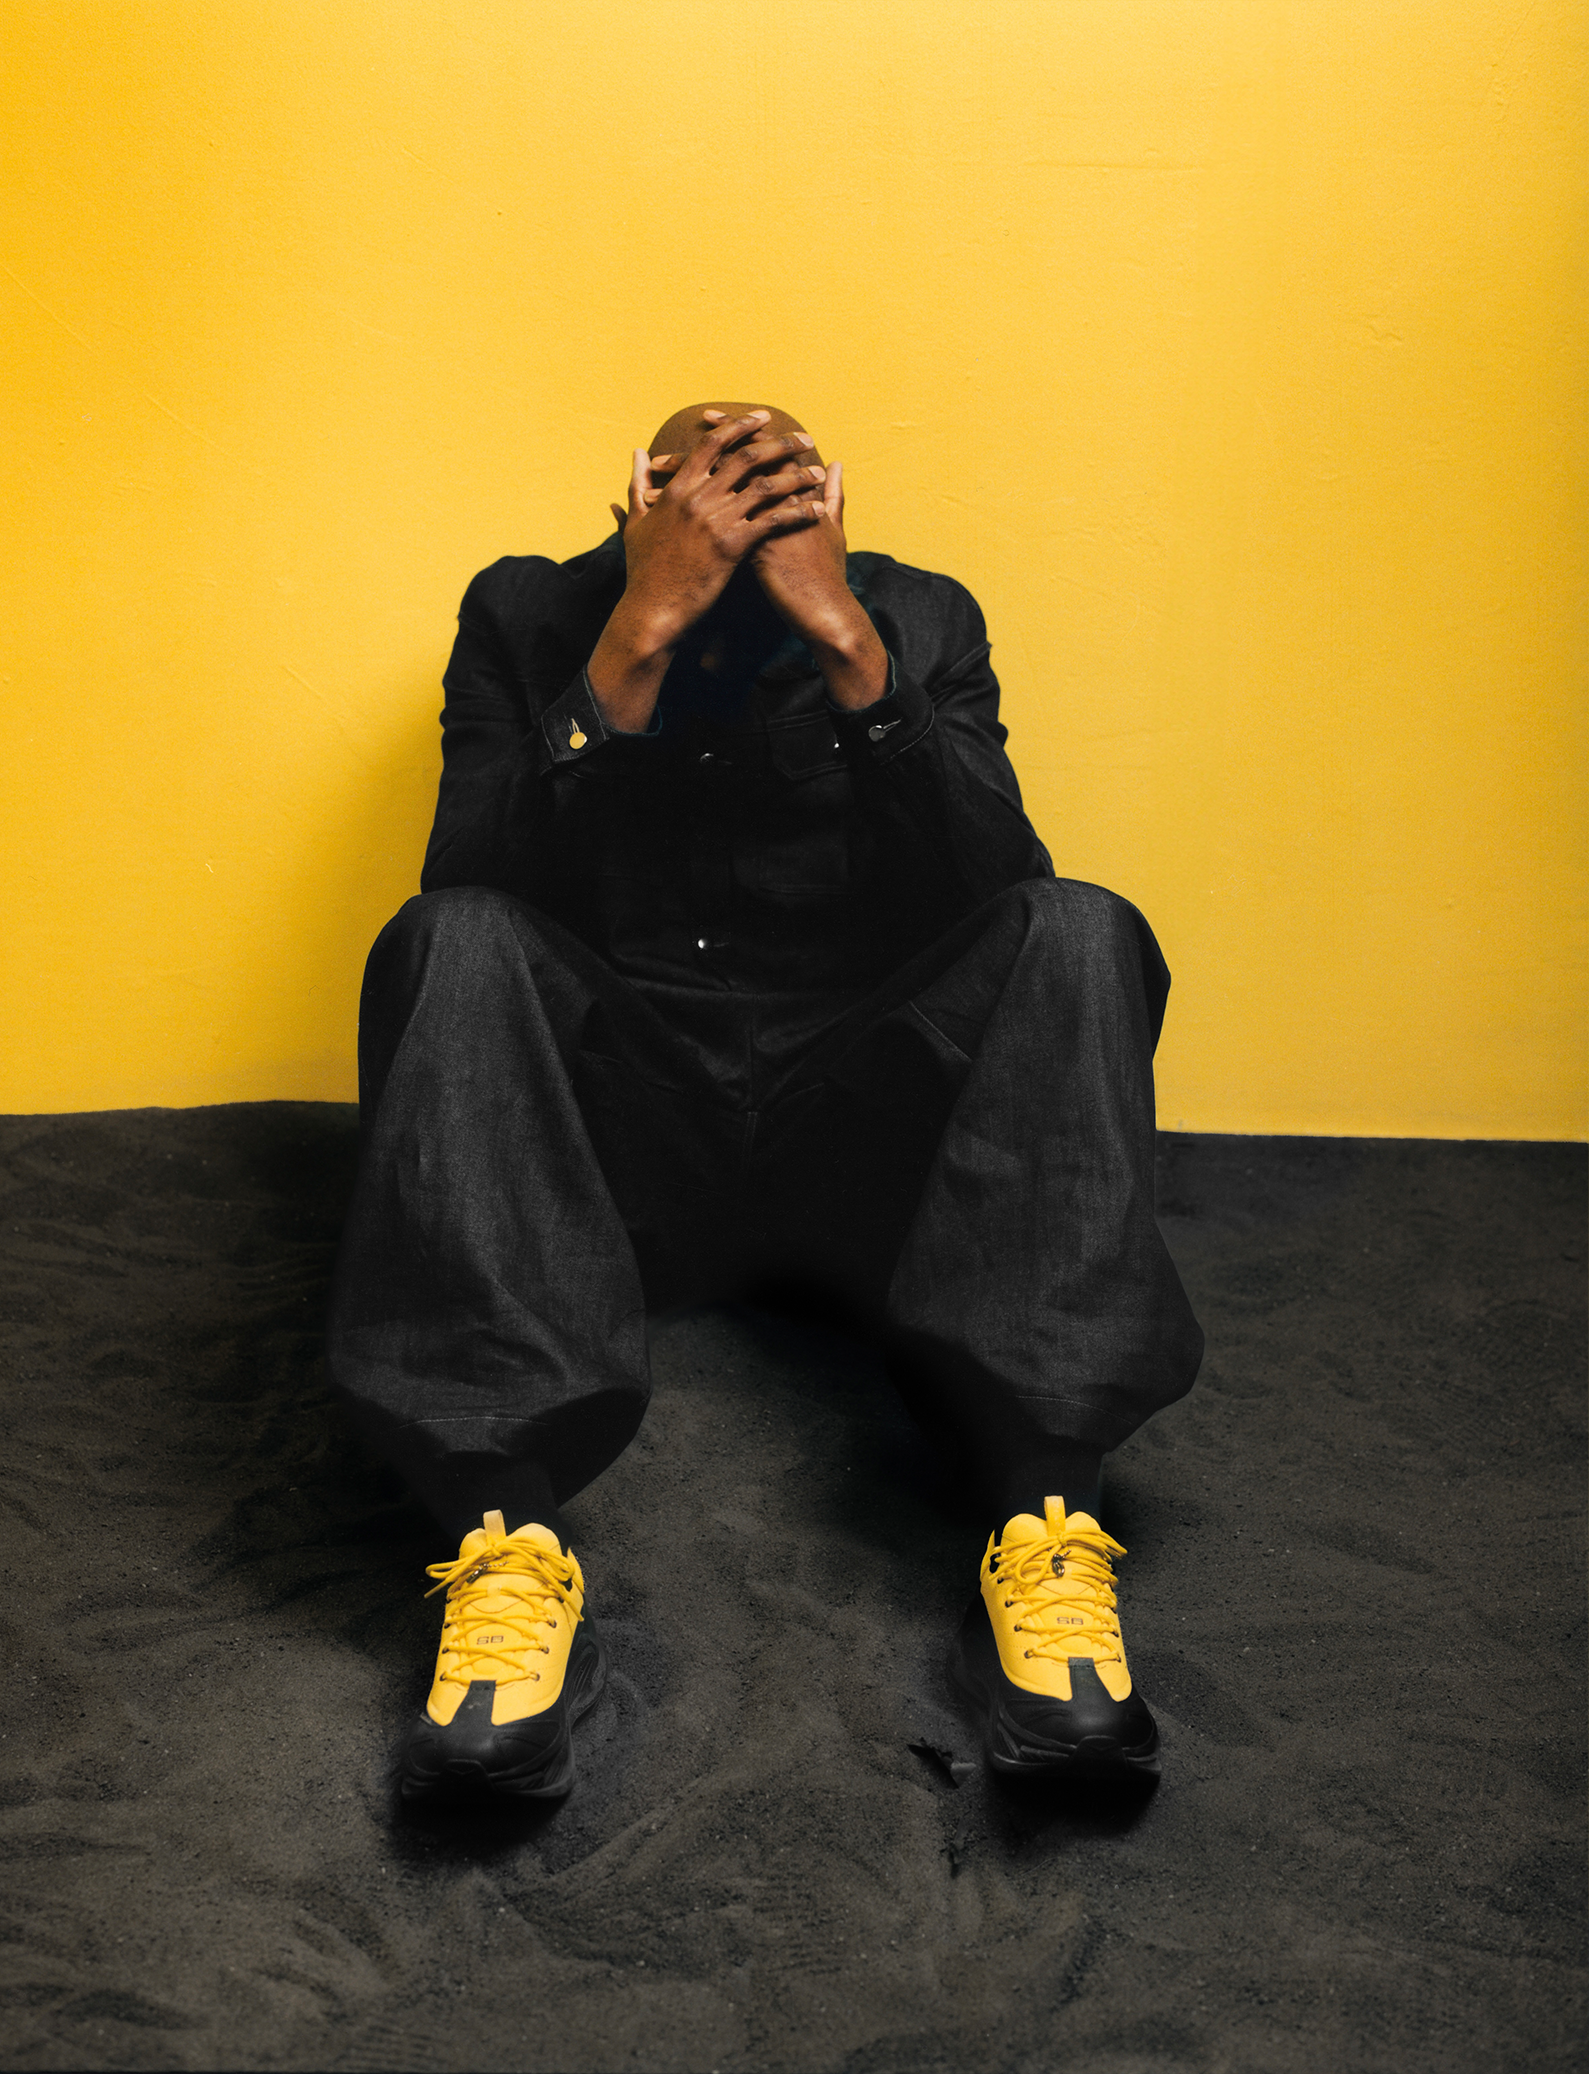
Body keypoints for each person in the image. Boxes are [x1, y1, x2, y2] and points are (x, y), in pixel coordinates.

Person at [328, 404, 1204, 1800]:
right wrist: (635, 637)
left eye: (774, 499)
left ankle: (1049, 1517)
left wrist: (850, 644)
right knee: (452, 941)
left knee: (1082, 926)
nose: (736, 534)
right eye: (705, 500)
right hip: (617, 1155)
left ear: (833, 506)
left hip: (862, 1162)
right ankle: (501, 1538)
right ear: (636, 503)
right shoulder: (526, 613)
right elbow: (468, 890)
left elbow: (1006, 903)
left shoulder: (918, 614)